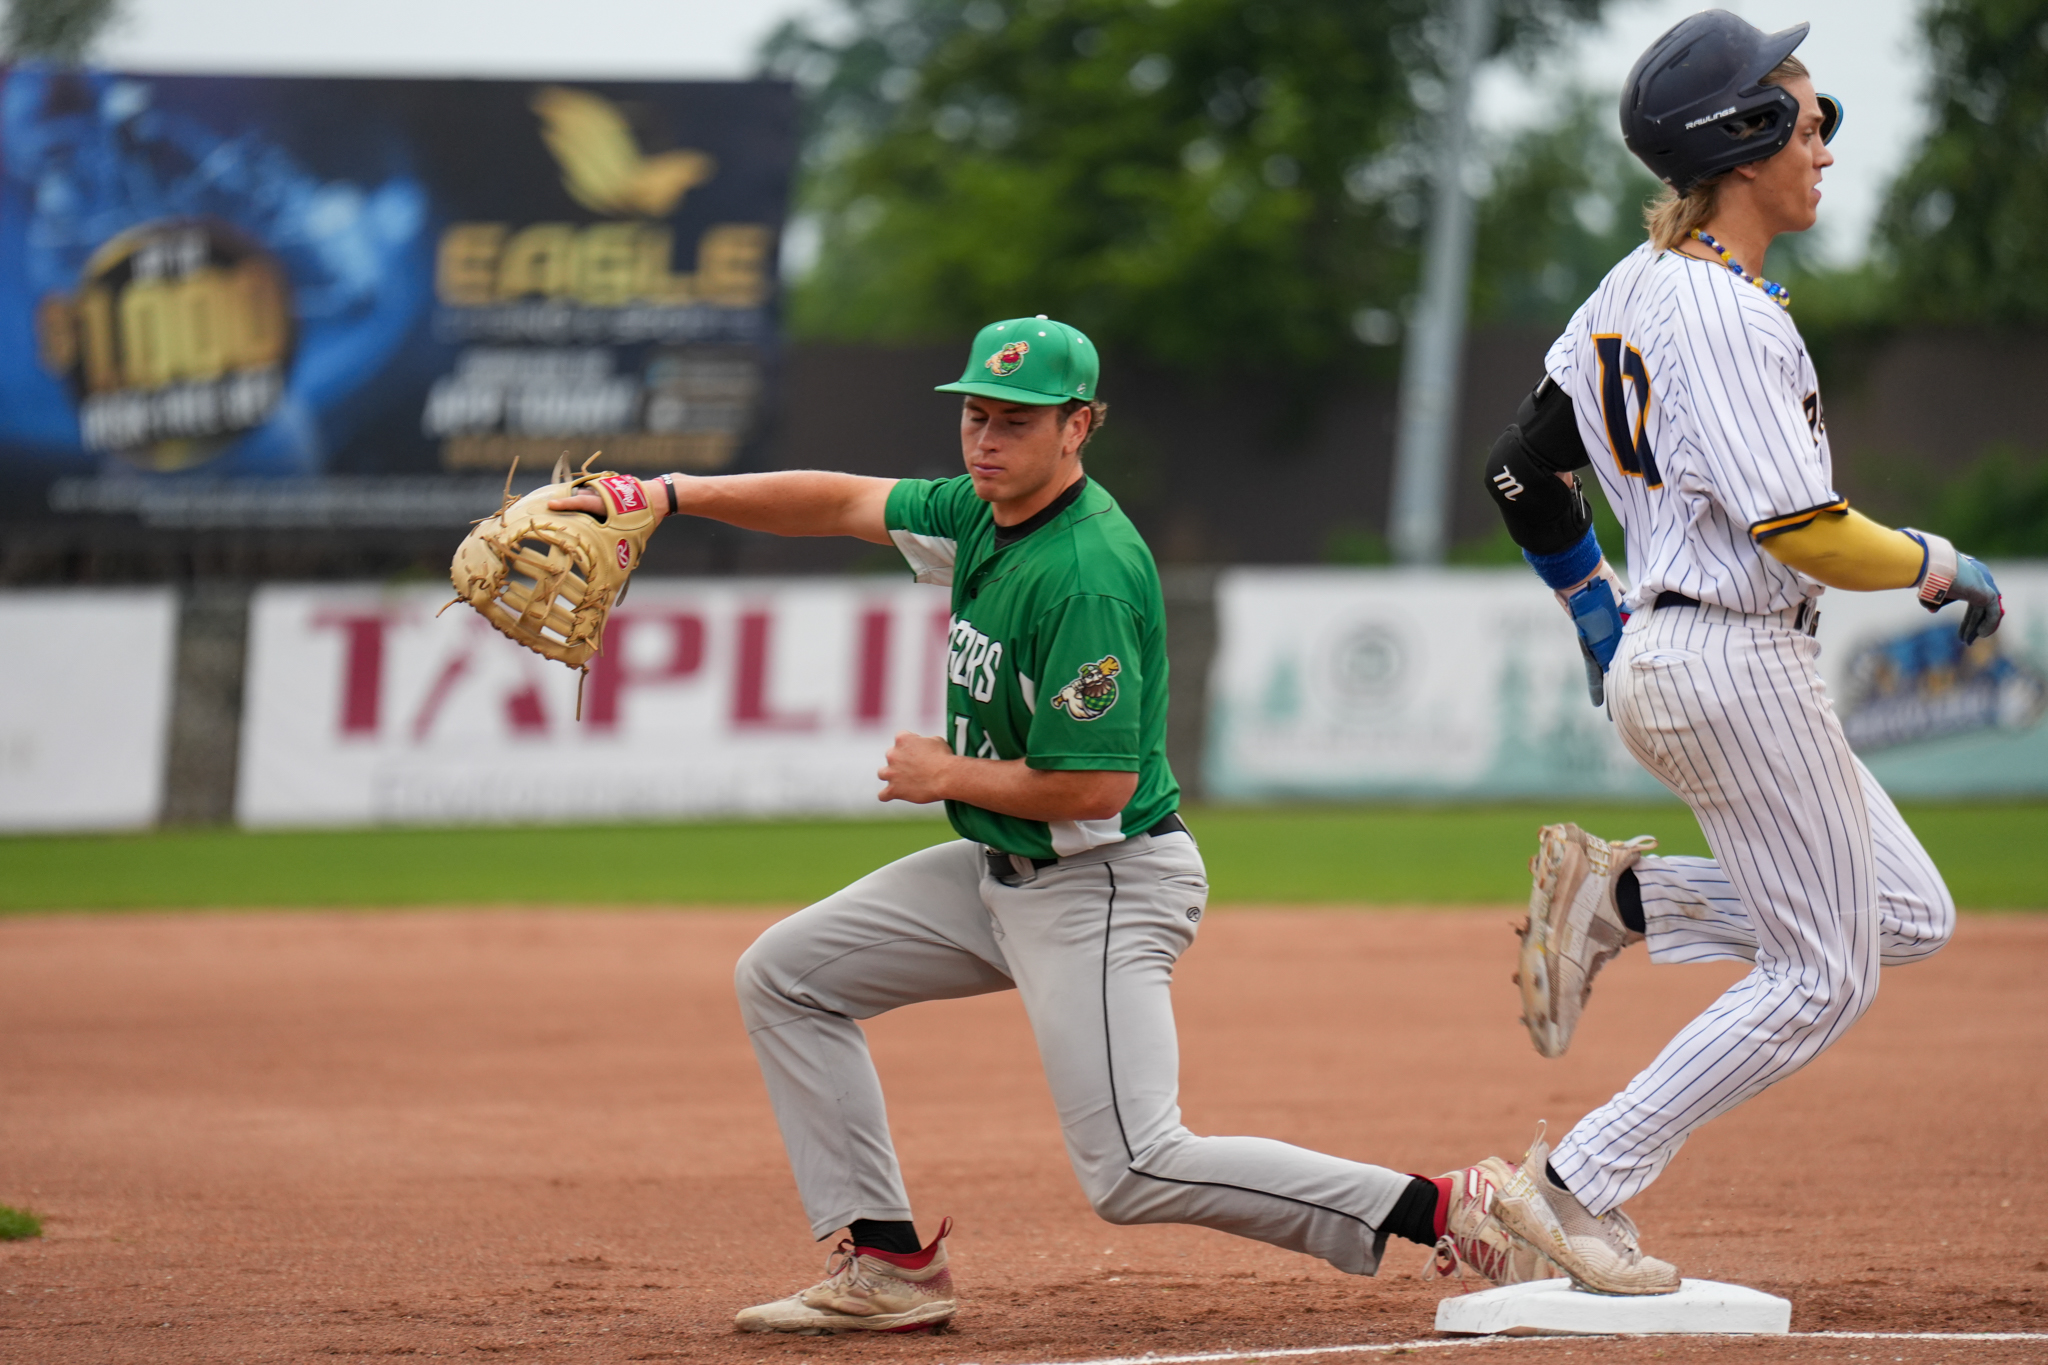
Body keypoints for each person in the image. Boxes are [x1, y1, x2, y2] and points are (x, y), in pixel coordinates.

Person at [553, 316, 1644, 1332]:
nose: (986, 438)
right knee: (786, 976)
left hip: (1106, 880)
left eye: (1016, 421)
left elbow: (1096, 789)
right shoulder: (981, 512)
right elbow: (843, 500)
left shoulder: (1084, 573)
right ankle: (887, 1266)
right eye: (976, 413)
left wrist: (948, 770)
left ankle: (1447, 1208)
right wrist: (666, 492)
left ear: (1079, 427)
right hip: (1001, 874)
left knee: (1133, 1166)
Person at [1480, 10, 2000, 1269]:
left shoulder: (1634, 286)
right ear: (1744, 133)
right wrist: (1933, 560)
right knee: (1825, 975)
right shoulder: (1722, 312)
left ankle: (1616, 898)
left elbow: (1517, 472)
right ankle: (1567, 1187)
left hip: (1681, 654)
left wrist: (1599, 617)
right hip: (1731, 657)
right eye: (1808, 116)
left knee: (1904, 916)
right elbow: (1802, 531)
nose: (1824, 142)